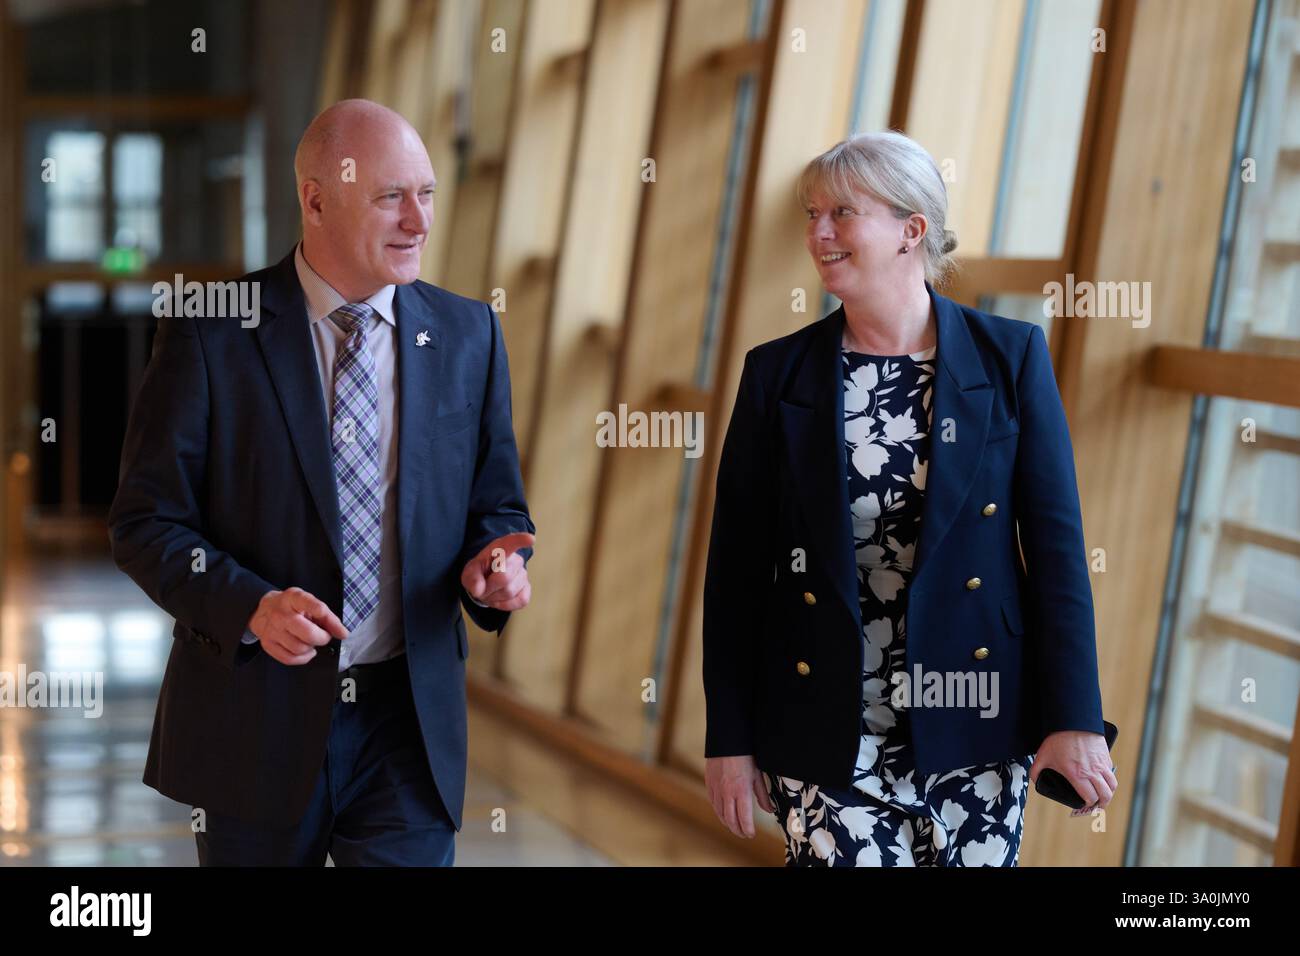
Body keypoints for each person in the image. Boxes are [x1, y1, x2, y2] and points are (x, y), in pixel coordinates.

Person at [108, 99, 536, 866]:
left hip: (407, 725)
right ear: (315, 199)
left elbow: (494, 504)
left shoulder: (470, 334)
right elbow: (146, 522)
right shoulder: (210, 331)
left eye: (428, 194)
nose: (419, 220)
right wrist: (251, 606)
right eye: (390, 197)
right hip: (254, 723)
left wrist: (494, 565)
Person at [702, 130, 1116, 866]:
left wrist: (1074, 717)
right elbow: (735, 577)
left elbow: (1056, 556)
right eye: (811, 214)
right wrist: (729, 740)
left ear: (911, 230)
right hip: (828, 732)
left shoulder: (1011, 357)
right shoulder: (777, 375)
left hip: (975, 725)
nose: (818, 232)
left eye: (841, 213)